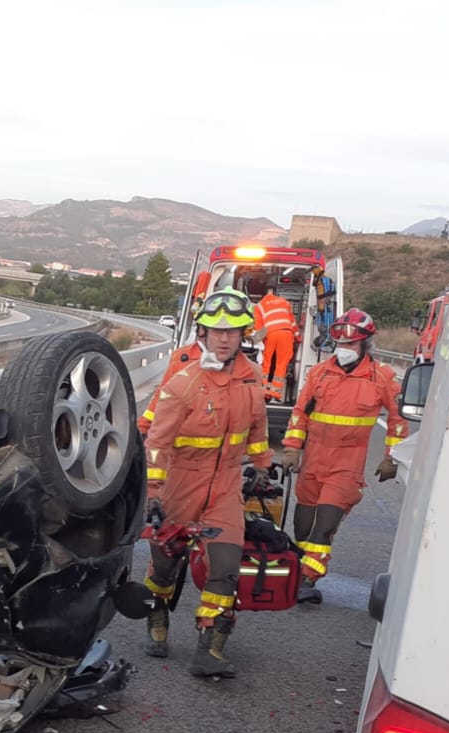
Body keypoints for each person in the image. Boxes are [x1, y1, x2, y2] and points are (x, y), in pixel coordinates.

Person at [141, 288, 273, 677]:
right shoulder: (183, 382)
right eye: (216, 330)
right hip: (181, 485)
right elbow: (157, 442)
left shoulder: (252, 378)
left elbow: (258, 426)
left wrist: (263, 465)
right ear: (202, 331)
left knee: (226, 567)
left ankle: (210, 647)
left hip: (227, 485)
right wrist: (151, 493)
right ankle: (157, 615)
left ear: (243, 333)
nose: (223, 337)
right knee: (166, 567)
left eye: (232, 330)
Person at [280, 308, 410, 604]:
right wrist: (291, 449)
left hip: (346, 465)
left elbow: (397, 419)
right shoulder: (320, 373)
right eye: (341, 344)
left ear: (365, 345)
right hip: (313, 460)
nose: (345, 350)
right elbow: (300, 414)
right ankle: (300, 568)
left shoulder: (382, 378)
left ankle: (308, 579)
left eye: (351, 345)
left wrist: (392, 457)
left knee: (325, 524)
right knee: (302, 524)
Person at [250, 281, 296, 402]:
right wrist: (297, 337)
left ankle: (264, 391)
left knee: (267, 362)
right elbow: (292, 322)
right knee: (282, 363)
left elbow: (259, 328)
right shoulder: (285, 302)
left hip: (271, 334)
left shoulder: (259, 305)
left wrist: (255, 341)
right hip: (287, 333)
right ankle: (276, 393)